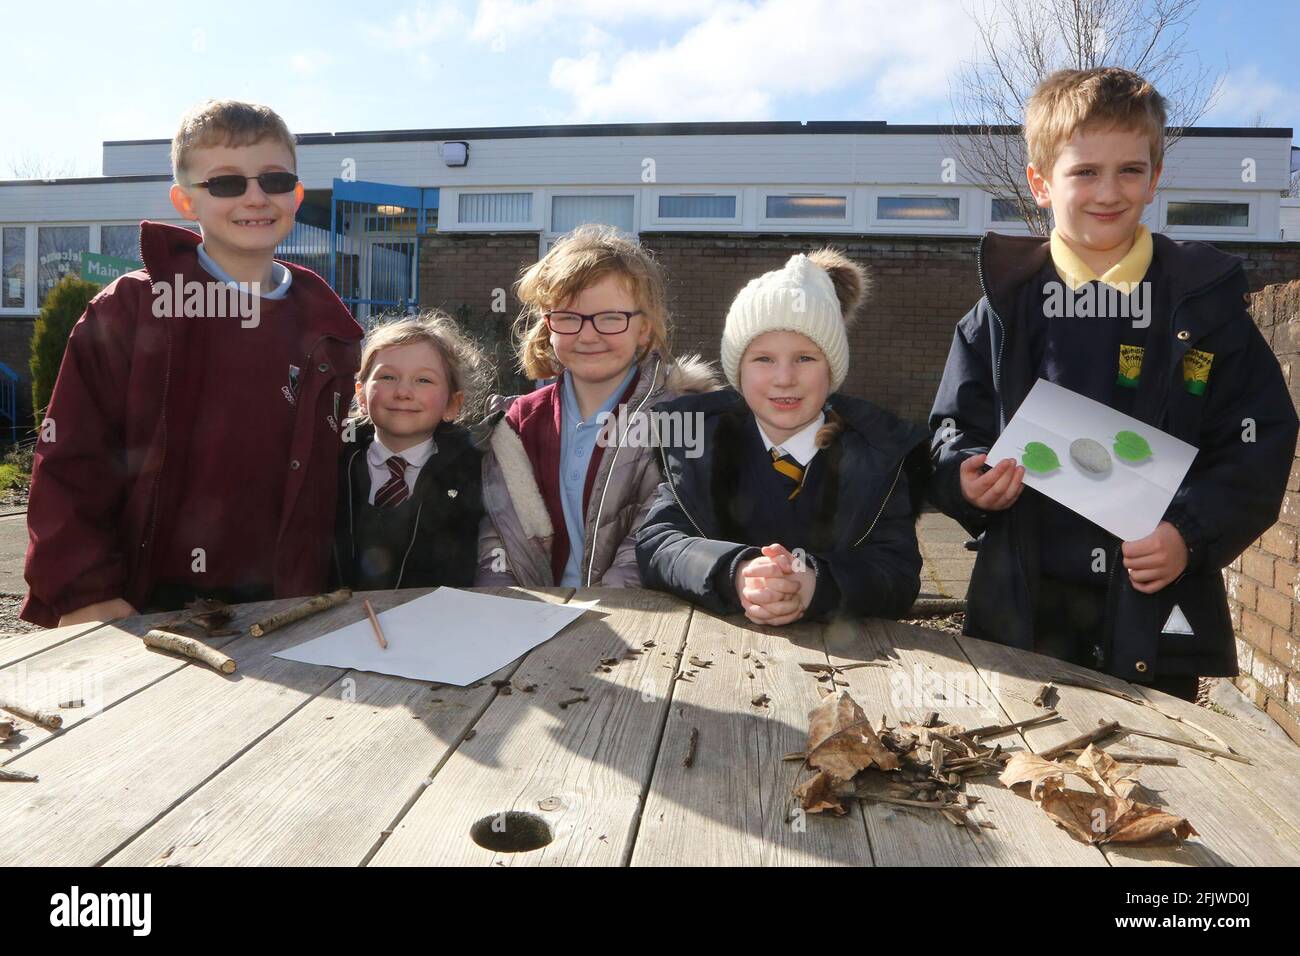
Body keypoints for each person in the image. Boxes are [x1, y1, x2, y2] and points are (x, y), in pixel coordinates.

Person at [927, 67, 1299, 699]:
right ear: (1041, 184)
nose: (1108, 191)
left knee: (1154, 760)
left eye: (1129, 170)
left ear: (1154, 179)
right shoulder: (999, 314)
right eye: (1085, 171)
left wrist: (1189, 533)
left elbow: (1257, 441)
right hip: (1023, 613)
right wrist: (964, 478)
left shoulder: (1205, 309)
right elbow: (951, 429)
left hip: (1153, 618)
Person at [22, 99, 362, 626]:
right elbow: (71, 457)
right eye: (226, 183)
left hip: (291, 603)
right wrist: (83, 591)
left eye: (274, 180)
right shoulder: (134, 308)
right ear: (185, 201)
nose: (255, 197)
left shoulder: (329, 328)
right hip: (151, 606)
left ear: (296, 196)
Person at [636, 248, 930, 624]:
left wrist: (815, 585)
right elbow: (659, 544)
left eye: (805, 358)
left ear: (833, 369)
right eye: (764, 359)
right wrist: (736, 571)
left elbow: (897, 574)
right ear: (738, 370)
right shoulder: (697, 442)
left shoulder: (880, 453)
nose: (784, 378)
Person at [475, 224, 717, 588]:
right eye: (568, 318)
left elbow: (655, 537)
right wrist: (502, 605)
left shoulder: (680, 418)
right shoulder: (517, 423)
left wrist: (602, 613)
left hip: (636, 615)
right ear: (549, 327)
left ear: (644, 329)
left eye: (611, 318)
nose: (588, 335)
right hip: (531, 613)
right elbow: (499, 535)